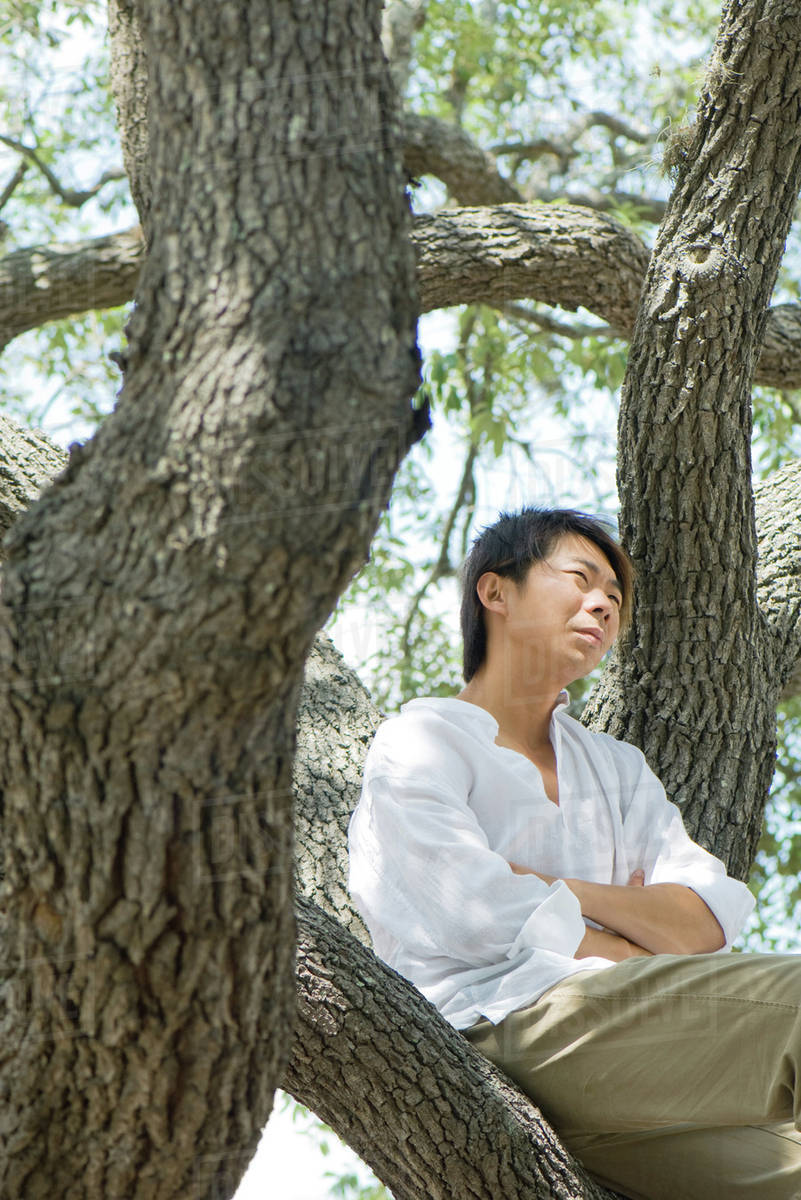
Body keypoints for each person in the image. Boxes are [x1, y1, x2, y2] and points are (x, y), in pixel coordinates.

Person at [348, 507, 801, 1200]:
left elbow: (704, 917)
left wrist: (557, 888)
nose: (602, 605)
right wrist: (633, 942)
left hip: (621, 1085)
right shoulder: (422, 739)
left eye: (614, 598)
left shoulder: (616, 769)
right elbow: (473, 914)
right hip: (497, 1033)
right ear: (495, 593)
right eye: (580, 579)